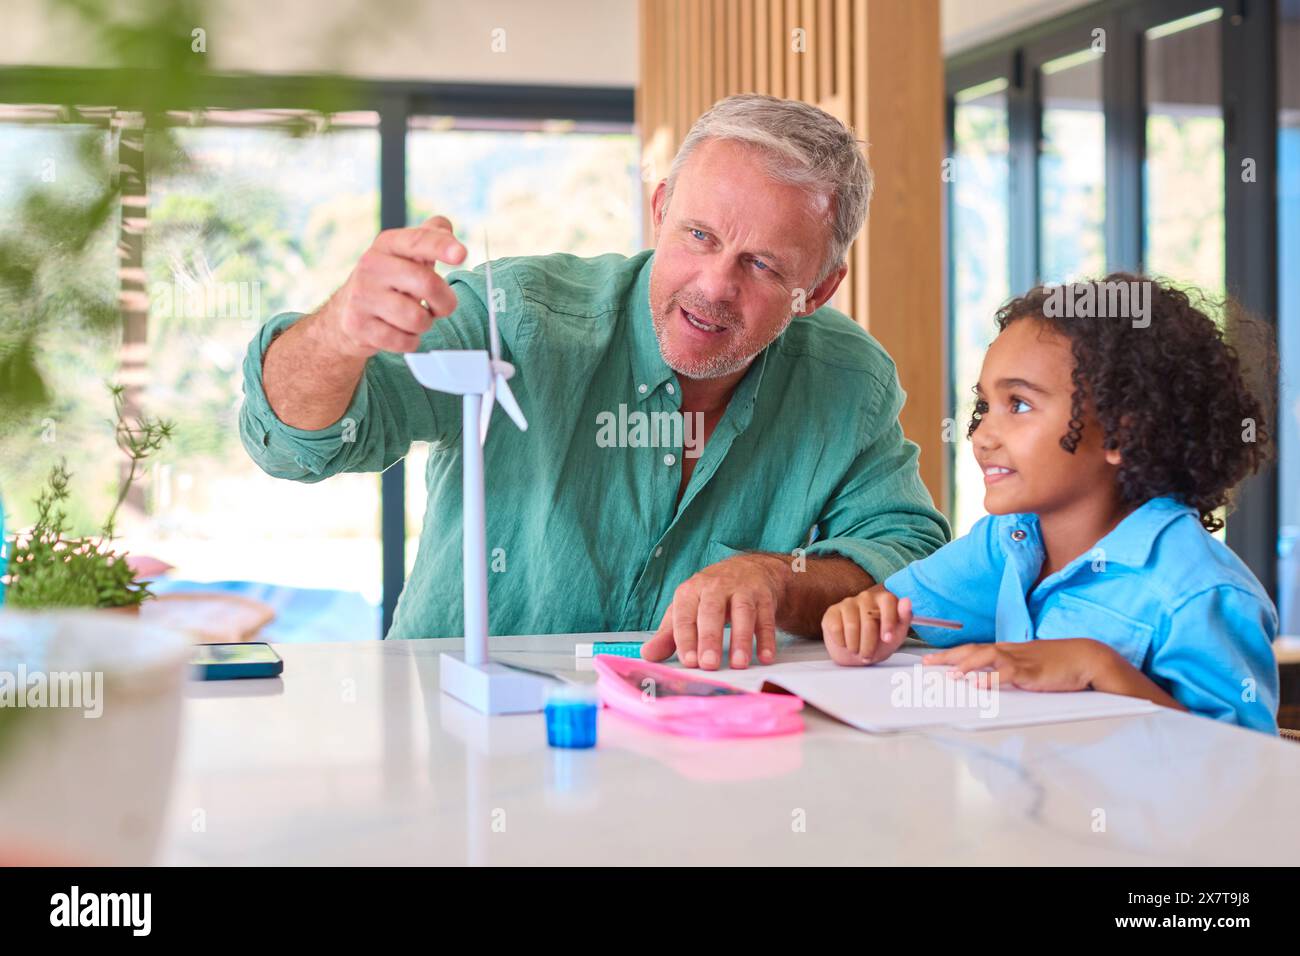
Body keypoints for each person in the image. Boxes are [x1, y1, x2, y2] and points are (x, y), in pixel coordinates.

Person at [240, 93, 950, 665]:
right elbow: (295, 444)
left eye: (761, 265)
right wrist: (340, 331)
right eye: (698, 235)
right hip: (461, 738)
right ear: (660, 208)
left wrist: (778, 579)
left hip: (697, 762)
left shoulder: (847, 378)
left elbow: (911, 559)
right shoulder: (517, 315)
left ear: (819, 290)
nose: (714, 286)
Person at [821, 275, 1280, 733]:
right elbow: (899, 608)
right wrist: (866, 620)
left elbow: (1242, 774)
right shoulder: (1005, 543)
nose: (981, 436)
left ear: (1124, 433)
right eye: (985, 406)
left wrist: (1099, 666)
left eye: (1018, 404)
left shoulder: (1201, 595)